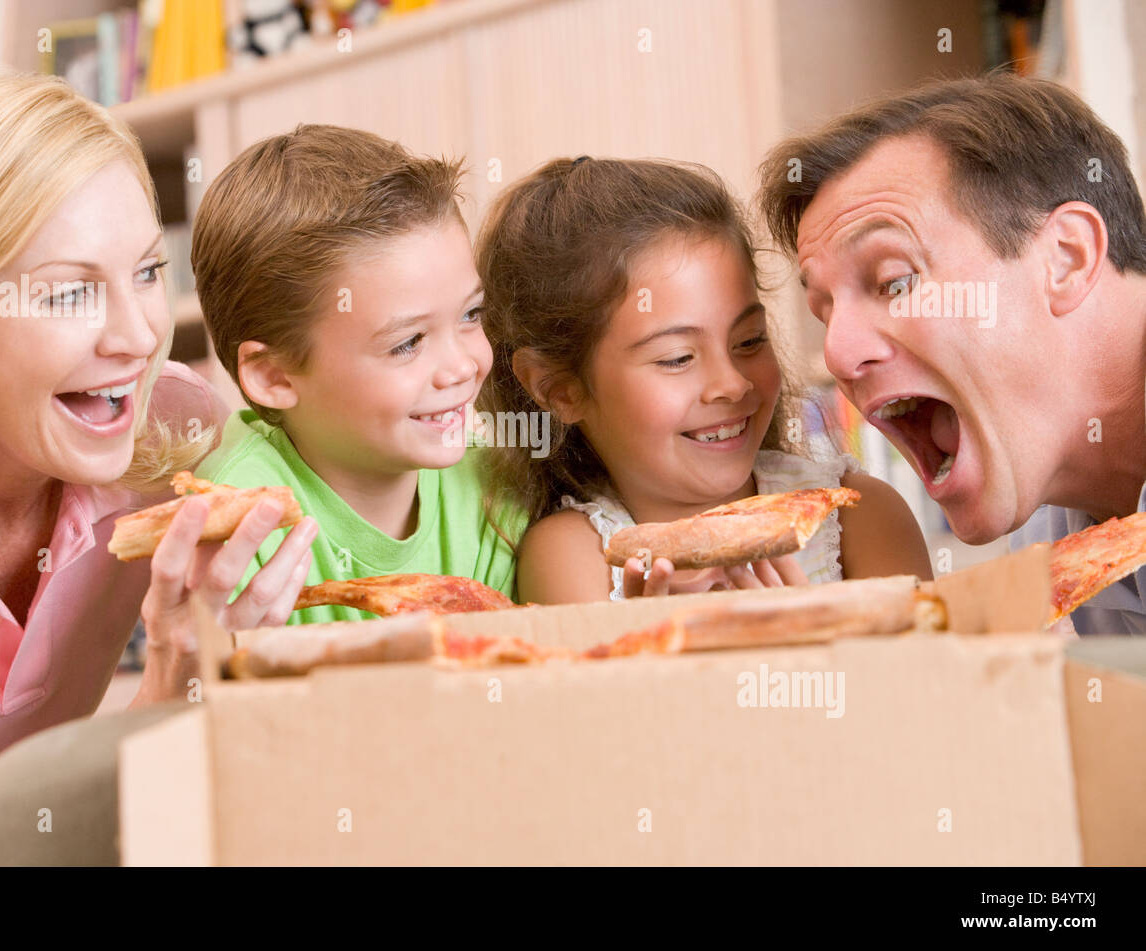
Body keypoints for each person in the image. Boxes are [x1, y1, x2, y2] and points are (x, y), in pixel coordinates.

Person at [0, 71, 315, 865]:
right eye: (69, 295)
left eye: (145, 272)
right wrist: (172, 681)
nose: (135, 337)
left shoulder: (169, 434)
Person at [758, 73, 1146, 634]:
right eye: (824, 312)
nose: (838, 356)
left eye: (894, 280)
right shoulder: (1049, 526)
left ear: (1067, 257)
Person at [476, 157, 932, 604]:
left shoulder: (858, 515)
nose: (731, 384)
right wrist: (650, 648)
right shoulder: (574, 556)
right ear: (561, 390)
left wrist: (803, 641)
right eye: (677, 359)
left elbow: (923, 676)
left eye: (750, 341)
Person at [191, 125, 526, 625]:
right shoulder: (235, 522)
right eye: (408, 343)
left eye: (471, 315)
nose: (462, 367)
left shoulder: (493, 488)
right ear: (275, 376)